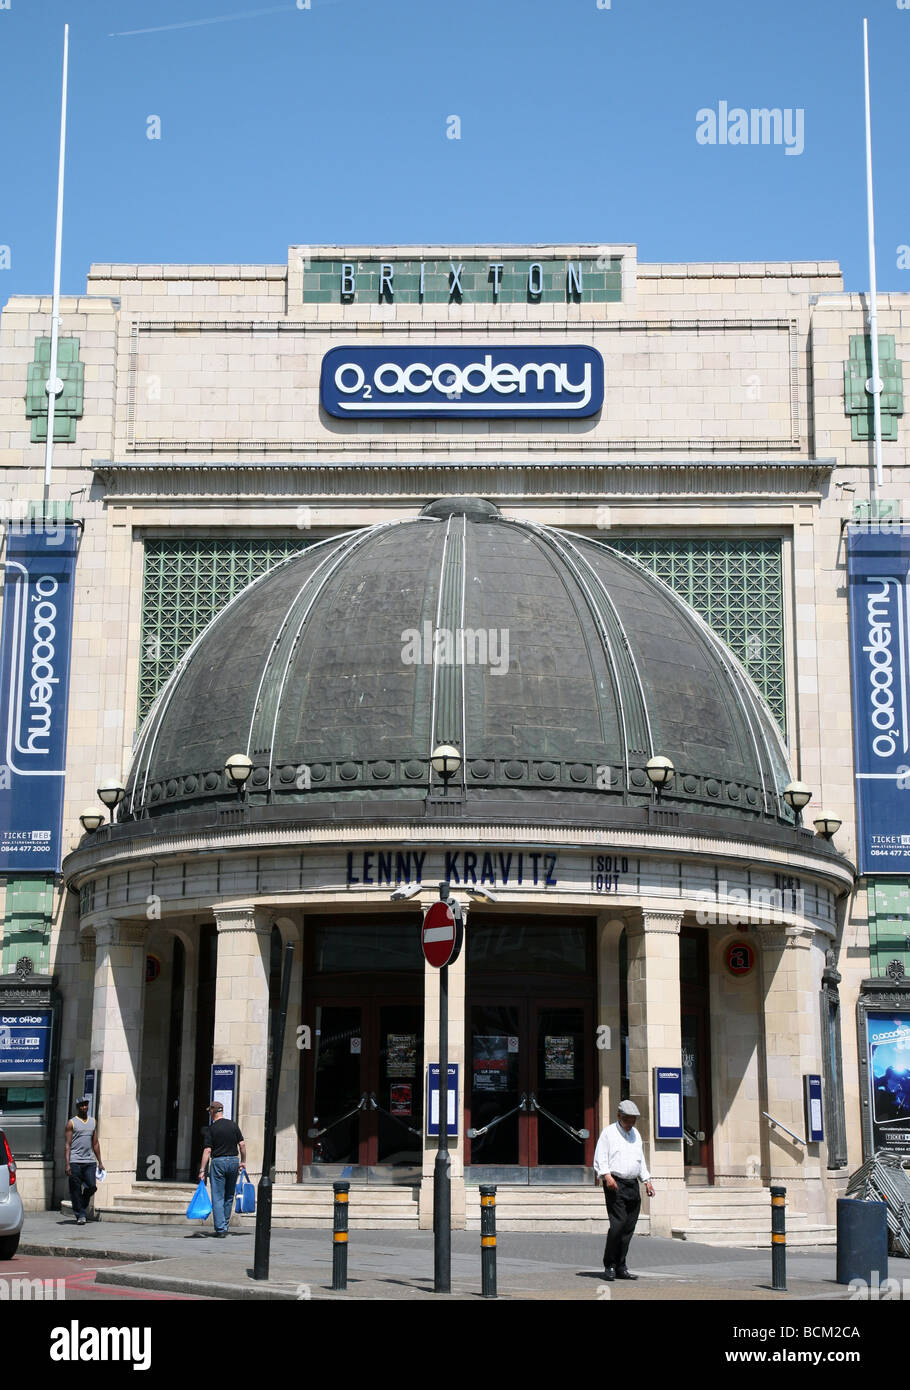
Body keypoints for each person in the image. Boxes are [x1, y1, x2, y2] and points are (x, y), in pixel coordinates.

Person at [593, 1098, 655, 1280]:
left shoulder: (635, 1134)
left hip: (632, 1184)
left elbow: (640, 1159)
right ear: (619, 1116)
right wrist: (606, 1175)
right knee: (618, 1225)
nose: (630, 1124)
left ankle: (621, 1265)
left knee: (628, 1227)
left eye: (633, 1120)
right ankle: (609, 1265)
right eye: (627, 1120)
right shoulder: (609, 1133)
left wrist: (647, 1180)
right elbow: (600, 1156)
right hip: (615, 1182)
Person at [199, 1102, 246, 1238]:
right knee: (229, 1196)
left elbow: (207, 1150)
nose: (209, 1114)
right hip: (233, 1161)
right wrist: (243, 1161)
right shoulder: (233, 1125)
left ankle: (220, 1229)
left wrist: (202, 1169)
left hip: (218, 1162)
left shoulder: (211, 1129)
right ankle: (225, 1225)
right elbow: (242, 1145)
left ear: (213, 1112)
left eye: (210, 1112)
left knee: (218, 1196)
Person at [64, 1097, 104, 1226]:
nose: (84, 1107)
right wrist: (67, 1164)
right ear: (77, 1107)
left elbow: (96, 1143)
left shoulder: (93, 1122)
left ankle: (81, 1207)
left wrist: (100, 1161)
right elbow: (67, 1145)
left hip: (89, 1161)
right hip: (75, 1160)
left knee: (91, 1186)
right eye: (81, 1105)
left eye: (86, 1105)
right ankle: (80, 1214)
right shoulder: (72, 1123)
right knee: (75, 1189)